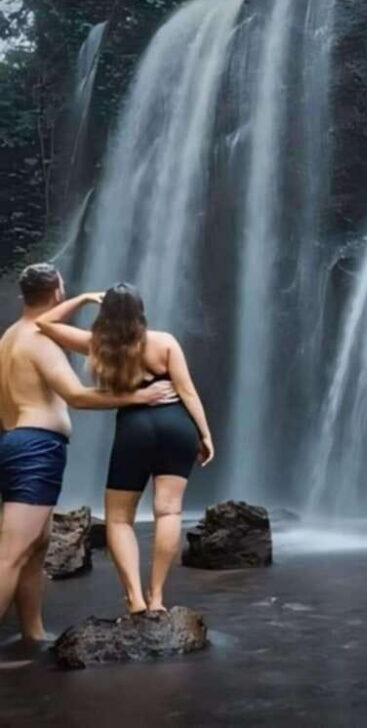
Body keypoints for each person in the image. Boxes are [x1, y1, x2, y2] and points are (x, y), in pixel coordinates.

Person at [0, 264, 174, 640]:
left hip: (16, 441)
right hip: (36, 449)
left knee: (36, 548)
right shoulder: (38, 340)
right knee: (11, 553)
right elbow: (77, 396)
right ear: (57, 294)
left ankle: (33, 632)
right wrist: (137, 396)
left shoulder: (9, 337)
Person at [36, 282, 214, 614]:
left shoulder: (96, 345)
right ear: (140, 311)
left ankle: (135, 599)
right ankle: (158, 597)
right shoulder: (165, 343)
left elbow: (44, 324)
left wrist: (83, 299)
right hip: (177, 424)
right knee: (169, 511)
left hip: (136, 427)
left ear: (105, 315)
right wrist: (204, 435)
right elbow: (187, 392)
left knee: (118, 519)